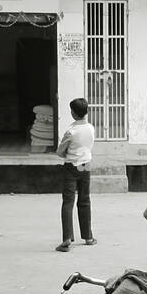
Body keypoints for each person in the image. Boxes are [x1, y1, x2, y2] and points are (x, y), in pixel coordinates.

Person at [55, 97, 96, 251]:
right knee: (85, 200)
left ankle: (66, 239)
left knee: (68, 202)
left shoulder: (71, 132)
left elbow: (59, 151)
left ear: (73, 113)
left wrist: (67, 154)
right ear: (86, 112)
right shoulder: (91, 128)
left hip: (71, 167)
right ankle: (88, 237)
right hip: (86, 166)